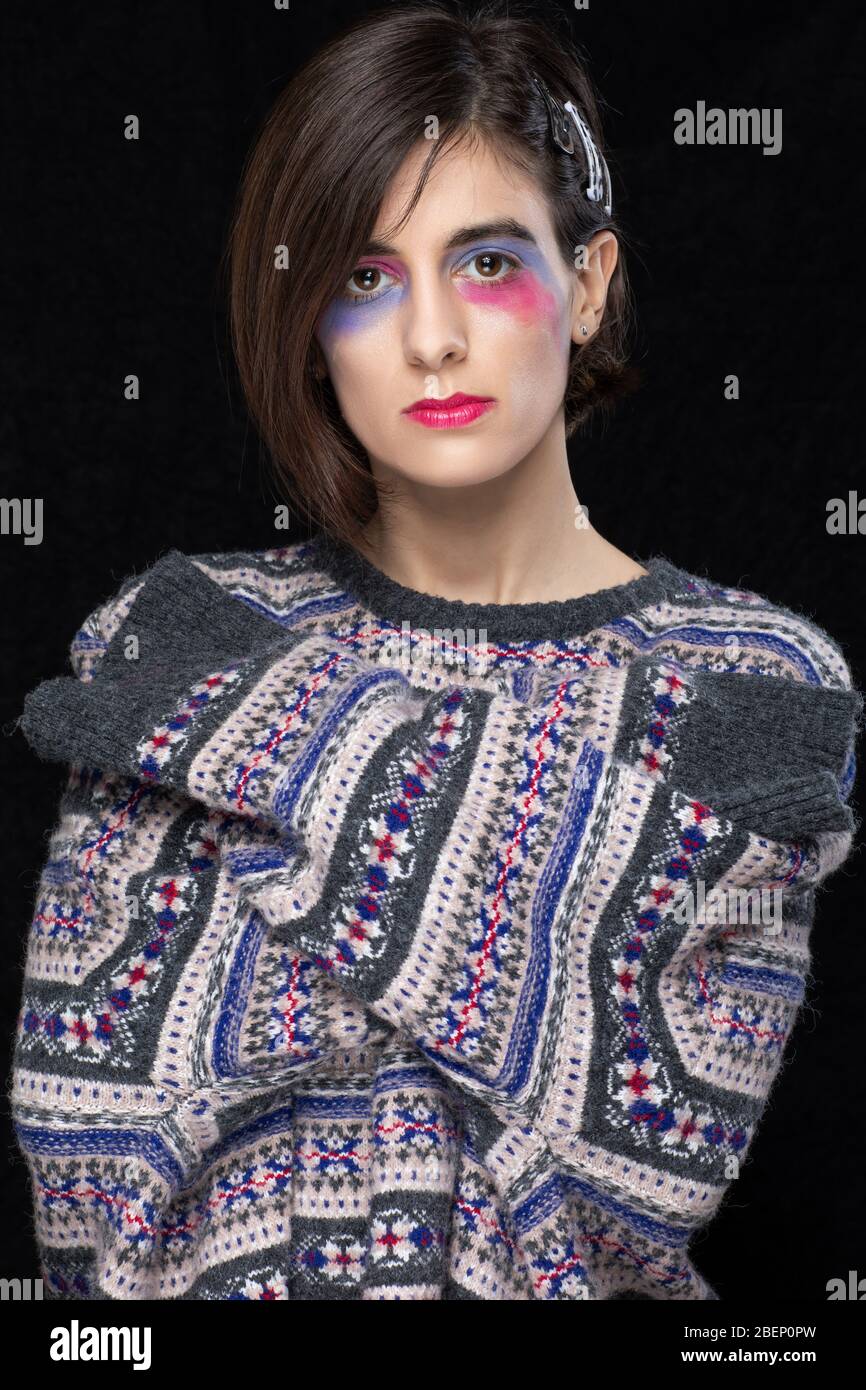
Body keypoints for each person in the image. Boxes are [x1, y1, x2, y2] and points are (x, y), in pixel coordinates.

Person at [9, 0, 862, 1300]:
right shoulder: (171, 623)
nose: (428, 338)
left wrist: (262, 735)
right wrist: (562, 925)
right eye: (362, 276)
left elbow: (639, 1158)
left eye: (483, 262)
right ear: (307, 325)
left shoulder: (754, 682)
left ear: (584, 287)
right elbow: (96, 1166)